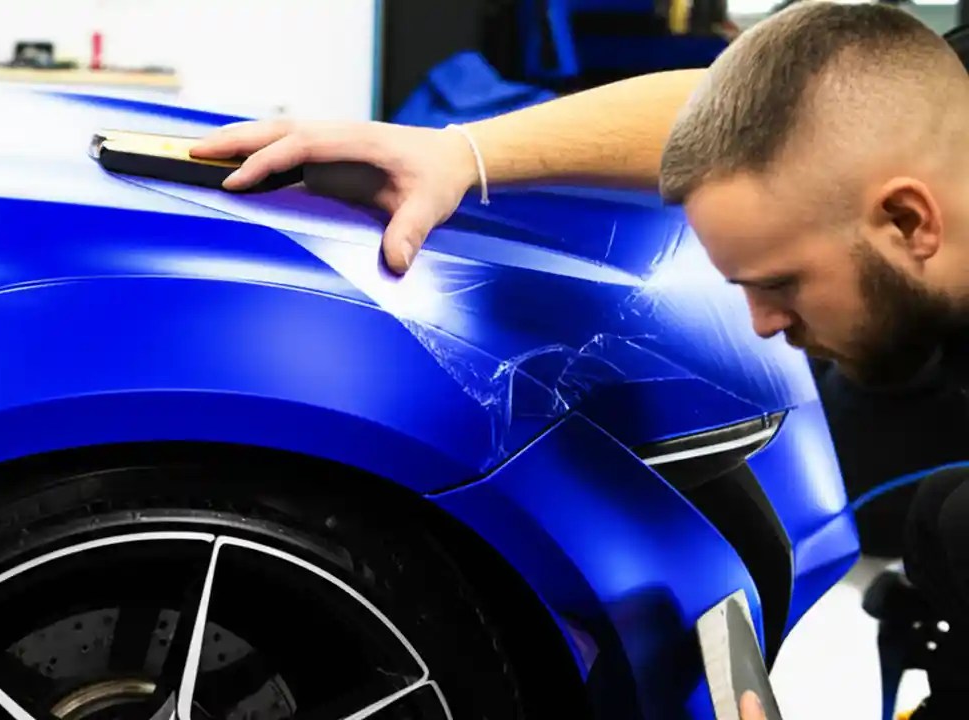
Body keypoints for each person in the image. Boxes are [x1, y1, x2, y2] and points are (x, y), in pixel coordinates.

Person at [192, 2, 969, 718]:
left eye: (780, 283)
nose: (763, 324)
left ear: (909, 218)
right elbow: (790, 115)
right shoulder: (940, 120)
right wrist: (460, 153)